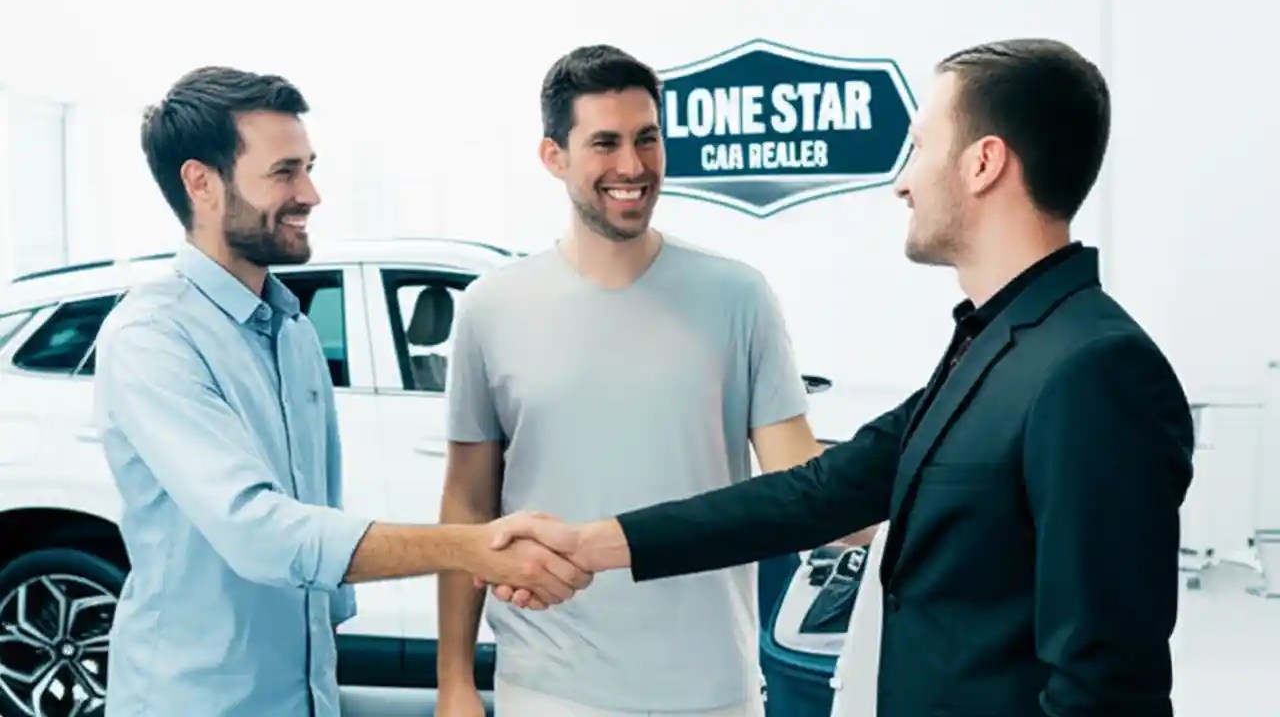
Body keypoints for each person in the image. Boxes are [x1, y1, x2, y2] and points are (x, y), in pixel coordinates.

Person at [487, 38, 1196, 717]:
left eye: (918, 148)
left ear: (983, 164)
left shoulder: (1093, 369)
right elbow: (814, 495)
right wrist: (589, 545)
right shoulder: (994, 348)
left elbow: (1106, 687)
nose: (902, 183)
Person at [92, 66, 590, 717]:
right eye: (285, 171)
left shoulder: (292, 330)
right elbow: (262, 535)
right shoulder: (150, 338)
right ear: (201, 183)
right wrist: (476, 547)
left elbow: (314, 533)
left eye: (309, 166)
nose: (312, 193)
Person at [435, 44, 845, 717]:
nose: (632, 166)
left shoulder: (738, 296)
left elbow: (800, 481)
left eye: (646, 139)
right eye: (605, 143)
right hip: (550, 686)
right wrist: (454, 681)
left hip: (712, 686)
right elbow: (467, 503)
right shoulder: (491, 307)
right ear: (553, 157)